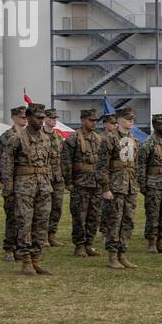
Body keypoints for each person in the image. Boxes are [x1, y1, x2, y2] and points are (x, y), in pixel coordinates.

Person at [0, 101, 55, 276]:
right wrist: (8, 188)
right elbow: (6, 163)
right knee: (24, 223)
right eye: (38, 118)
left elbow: (49, 163)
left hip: (43, 187)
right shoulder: (16, 139)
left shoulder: (46, 138)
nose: (41, 121)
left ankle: (36, 259)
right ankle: (26, 261)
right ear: (29, 118)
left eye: (42, 118)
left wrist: (50, 181)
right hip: (24, 187)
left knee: (42, 223)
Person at [98, 105, 141, 269]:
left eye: (132, 119)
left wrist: (135, 183)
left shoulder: (134, 139)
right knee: (114, 221)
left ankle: (123, 254)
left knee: (128, 220)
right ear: (119, 120)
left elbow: (135, 165)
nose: (131, 121)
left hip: (130, 186)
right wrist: (105, 188)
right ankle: (112, 255)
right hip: (115, 186)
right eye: (128, 118)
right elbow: (102, 166)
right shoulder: (109, 139)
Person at [62, 107, 103, 257]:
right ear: (83, 120)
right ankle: (79, 245)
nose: (94, 123)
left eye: (95, 121)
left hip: (96, 184)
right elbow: (66, 162)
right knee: (79, 216)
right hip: (80, 184)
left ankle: (89, 244)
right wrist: (69, 182)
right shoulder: (73, 139)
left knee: (94, 215)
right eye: (91, 120)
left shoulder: (98, 139)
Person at [0, 105, 27, 260]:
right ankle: (9, 249)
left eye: (26, 117)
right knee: (12, 217)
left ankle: (22, 249)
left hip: (27, 185)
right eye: (21, 117)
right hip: (12, 184)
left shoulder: (29, 135)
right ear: (14, 117)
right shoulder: (6, 136)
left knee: (25, 218)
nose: (24, 119)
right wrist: (6, 180)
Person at [137, 113, 162, 253]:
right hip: (153, 183)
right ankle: (152, 242)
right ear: (155, 125)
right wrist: (142, 184)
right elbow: (141, 165)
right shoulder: (148, 143)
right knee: (153, 214)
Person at [43, 108, 66, 247]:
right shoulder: (39, 135)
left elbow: (62, 155)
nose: (54, 120)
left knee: (57, 207)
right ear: (45, 119)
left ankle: (52, 235)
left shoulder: (58, 136)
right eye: (51, 118)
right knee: (44, 208)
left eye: (55, 118)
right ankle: (43, 236)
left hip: (57, 176)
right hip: (45, 175)